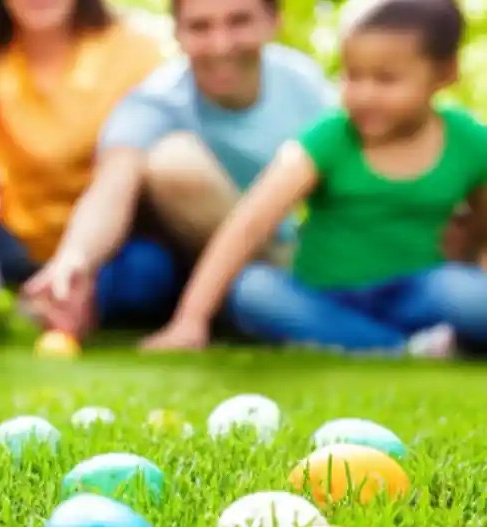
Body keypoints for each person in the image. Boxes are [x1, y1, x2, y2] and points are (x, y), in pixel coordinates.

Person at [142, 0, 487, 357]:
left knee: (468, 292)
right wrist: (190, 320)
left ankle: (385, 341)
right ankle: (403, 347)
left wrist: (471, 254)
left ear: (445, 73)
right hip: (322, 297)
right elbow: (247, 224)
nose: (364, 95)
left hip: (417, 294)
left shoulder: (471, 142)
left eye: (386, 79)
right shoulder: (329, 137)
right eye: (352, 76)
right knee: (252, 290)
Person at [23, 0, 336, 337]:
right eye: (200, 28)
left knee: (264, 288)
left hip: (281, 259)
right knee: (173, 164)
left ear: (273, 21)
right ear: (178, 33)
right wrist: (74, 260)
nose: (220, 45)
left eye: (239, 22)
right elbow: (111, 186)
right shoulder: (156, 101)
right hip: (186, 263)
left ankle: (272, 299)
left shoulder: (303, 83)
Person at [0, 0, 169, 331]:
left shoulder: (135, 49)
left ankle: (71, 293)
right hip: (13, 238)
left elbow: (120, 175)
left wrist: (78, 263)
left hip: (110, 235)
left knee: (145, 277)